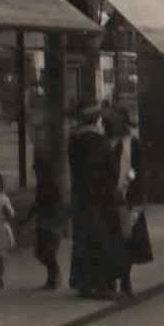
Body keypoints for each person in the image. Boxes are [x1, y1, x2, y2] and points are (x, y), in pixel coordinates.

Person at [67, 104, 123, 299]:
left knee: (83, 239)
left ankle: (84, 283)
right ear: (97, 120)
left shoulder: (74, 140)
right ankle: (101, 285)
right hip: (101, 198)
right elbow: (111, 171)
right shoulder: (100, 142)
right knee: (101, 239)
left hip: (81, 197)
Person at [108, 110, 149, 299]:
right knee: (111, 241)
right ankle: (111, 280)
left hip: (127, 198)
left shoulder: (132, 144)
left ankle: (125, 280)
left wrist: (133, 189)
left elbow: (137, 171)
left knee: (126, 240)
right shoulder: (107, 143)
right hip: (109, 200)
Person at [23, 153, 65, 289]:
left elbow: (58, 206)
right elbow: (36, 205)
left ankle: (54, 276)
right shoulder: (41, 186)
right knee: (40, 253)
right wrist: (27, 219)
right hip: (42, 224)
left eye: (37, 171)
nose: (36, 174)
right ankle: (53, 275)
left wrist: (59, 221)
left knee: (48, 252)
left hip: (52, 225)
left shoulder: (52, 186)